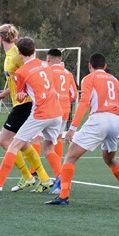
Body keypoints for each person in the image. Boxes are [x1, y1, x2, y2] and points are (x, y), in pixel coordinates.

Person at [44, 53, 119, 205]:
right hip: (115, 121)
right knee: (110, 159)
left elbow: (84, 102)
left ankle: (63, 196)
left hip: (99, 119)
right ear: (105, 66)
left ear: (89, 66)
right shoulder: (115, 81)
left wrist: (72, 128)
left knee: (70, 157)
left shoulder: (88, 78)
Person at [0, 38, 61, 195]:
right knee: (49, 147)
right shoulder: (45, 64)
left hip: (41, 113)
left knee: (13, 145)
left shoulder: (20, 72)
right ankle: (61, 181)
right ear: (35, 50)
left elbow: (21, 96)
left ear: (20, 54)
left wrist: (21, 93)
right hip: (56, 112)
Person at [0, 24, 44, 193]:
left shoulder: (15, 55)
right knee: (23, 142)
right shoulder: (9, 56)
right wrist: (5, 93)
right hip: (19, 103)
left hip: (24, 104)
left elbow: (30, 74)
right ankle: (42, 178)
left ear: (0, 38)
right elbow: (17, 81)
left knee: (5, 140)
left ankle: (29, 176)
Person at [46, 48, 77, 191]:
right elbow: (74, 94)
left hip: (51, 110)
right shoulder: (68, 73)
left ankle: (55, 176)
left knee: (43, 143)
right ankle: (58, 174)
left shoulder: (48, 72)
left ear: (50, 58)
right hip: (65, 109)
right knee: (57, 139)